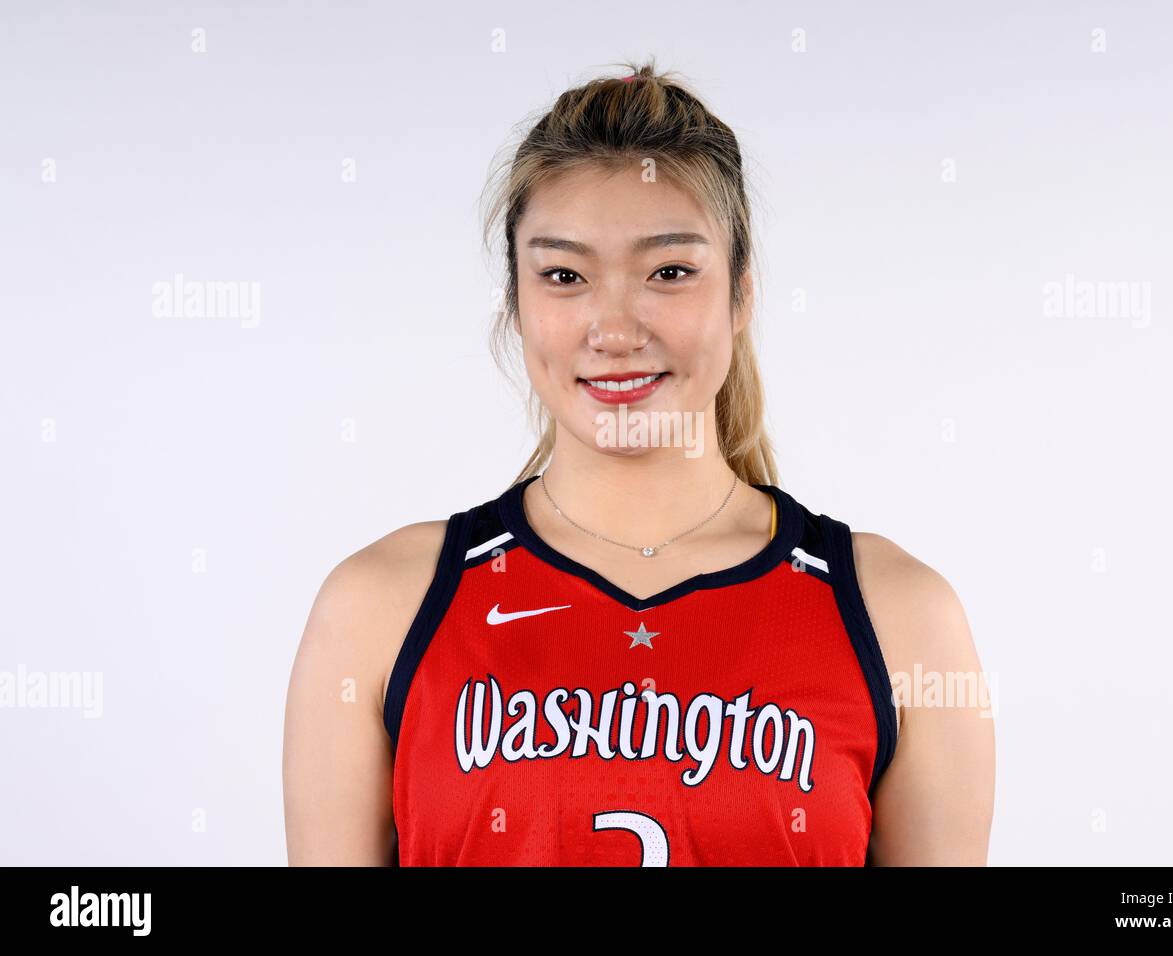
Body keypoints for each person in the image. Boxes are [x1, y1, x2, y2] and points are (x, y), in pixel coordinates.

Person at [283, 59, 994, 866]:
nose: (614, 329)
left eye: (669, 272)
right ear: (516, 305)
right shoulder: (379, 608)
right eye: (564, 275)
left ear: (742, 295)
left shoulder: (898, 616)